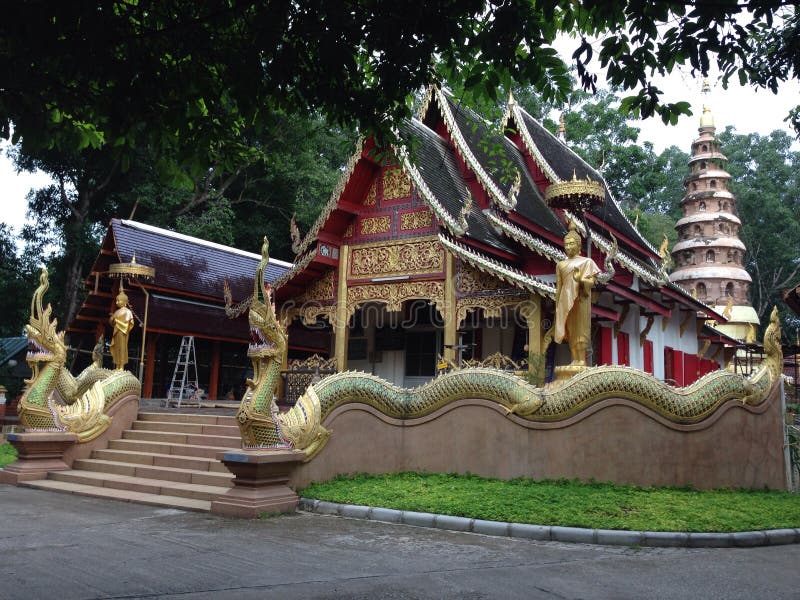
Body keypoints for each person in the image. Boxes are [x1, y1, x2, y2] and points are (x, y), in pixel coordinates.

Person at [554, 220, 601, 366]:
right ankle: (574, 359)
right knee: (570, 330)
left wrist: (580, 279)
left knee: (581, 329)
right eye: (566, 244)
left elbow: (592, 283)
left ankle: (581, 360)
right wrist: (557, 307)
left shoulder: (587, 262)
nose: (568, 247)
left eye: (571, 243)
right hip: (565, 300)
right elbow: (559, 287)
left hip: (580, 299)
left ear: (579, 245)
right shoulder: (561, 265)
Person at [109, 284, 135, 370]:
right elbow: (111, 322)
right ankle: (117, 365)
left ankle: (122, 366)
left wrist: (117, 321)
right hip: (116, 332)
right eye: (116, 301)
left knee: (122, 348)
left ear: (124, 302)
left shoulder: (127, 312)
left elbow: (129, 324)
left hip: (122, 332)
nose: (117, 303)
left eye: (118, 301)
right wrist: (112, 319)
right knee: (117, 348)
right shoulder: (117, 312)